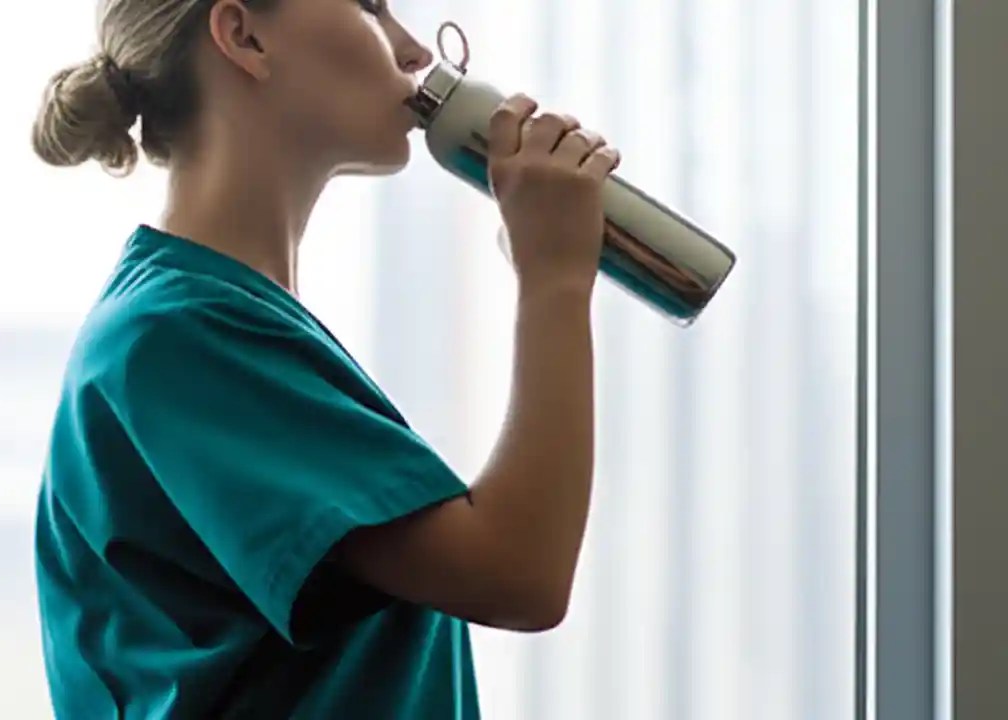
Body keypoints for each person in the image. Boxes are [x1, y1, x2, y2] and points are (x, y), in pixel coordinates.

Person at [30, 0, 620, 717]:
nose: (411, 51)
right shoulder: (177, 337)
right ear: (244, 36)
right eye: (370, 7)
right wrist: (553, 279)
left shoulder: (222, 322)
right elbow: (518, 574)